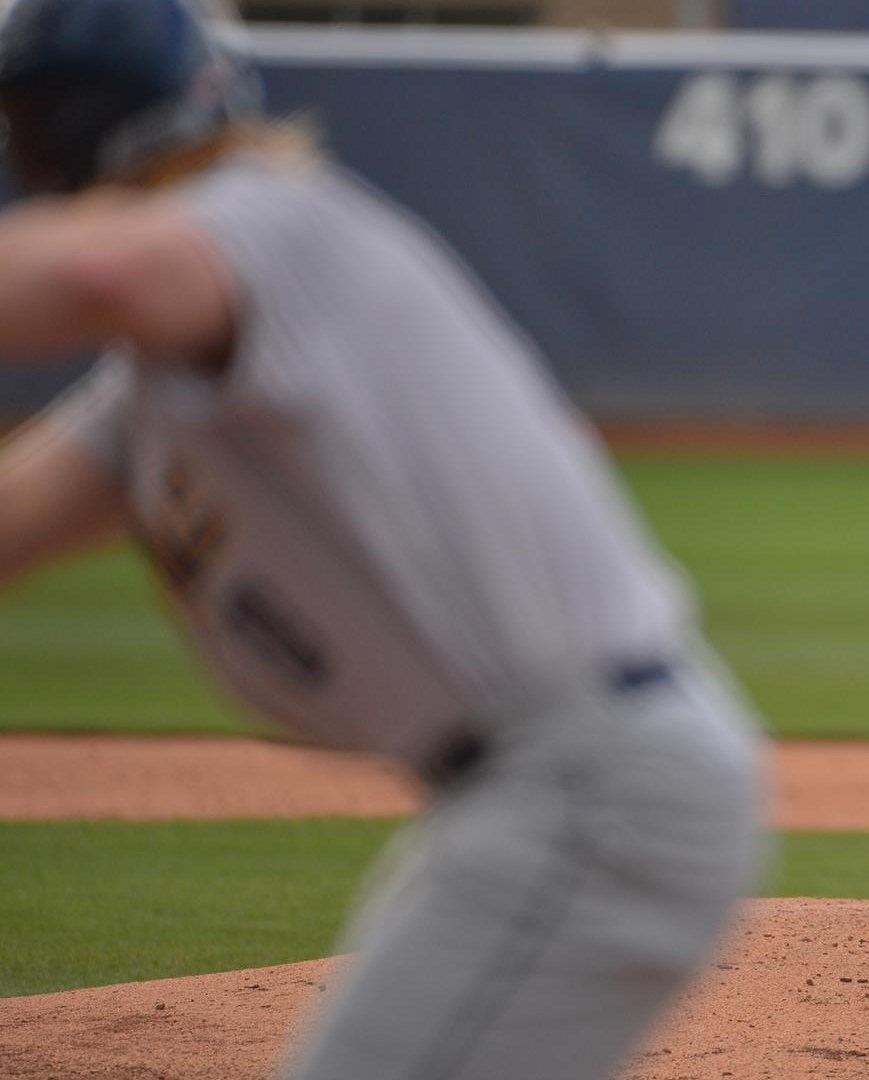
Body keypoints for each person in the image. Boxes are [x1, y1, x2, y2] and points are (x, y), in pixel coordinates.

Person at [0, 1, 761, 1077]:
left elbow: (100, 274)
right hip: (532, 799)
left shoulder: (263, 218)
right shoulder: (152, 389)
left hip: (591, 787)